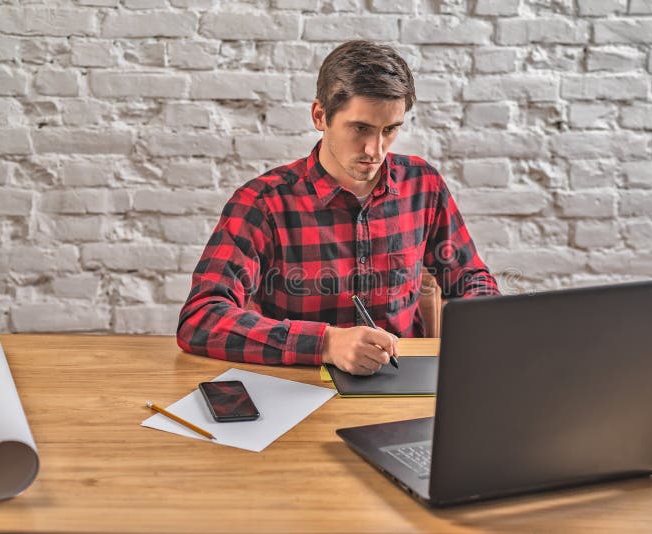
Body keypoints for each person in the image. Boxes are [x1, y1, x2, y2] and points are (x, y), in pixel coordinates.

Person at [177, 40, 500, 375]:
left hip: (403, 383)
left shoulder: (423, 185)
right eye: (360, 128)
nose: (374, 150)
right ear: (320, 115)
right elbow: (201, 317)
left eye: (389, 130)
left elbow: (471, 279)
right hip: (298, 388)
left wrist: (495, 324)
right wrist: (326, 343)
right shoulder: (263, 203)